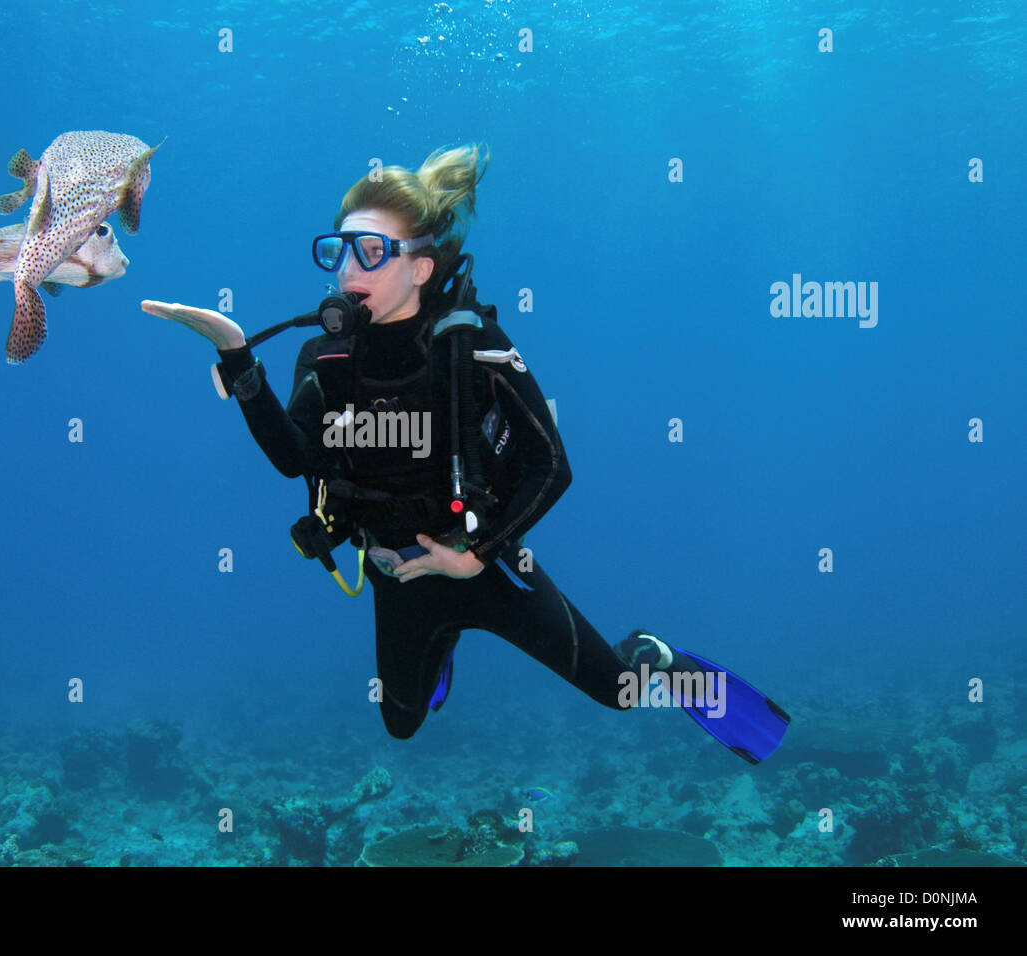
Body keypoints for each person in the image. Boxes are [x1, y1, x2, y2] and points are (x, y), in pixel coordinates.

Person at [140, 145, 789, 763]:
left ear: (421, 268)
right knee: (401, 725)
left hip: (486, 562)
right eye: (339, 251)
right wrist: (237, 357)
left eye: (371, 251)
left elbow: (551, 466)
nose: (349, 271)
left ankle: (656, 654)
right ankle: (442, 639)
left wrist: (473, 554)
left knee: (618, 692)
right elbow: (295, 458)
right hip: (397, 571)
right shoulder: (325, 356)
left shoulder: (473, 345)